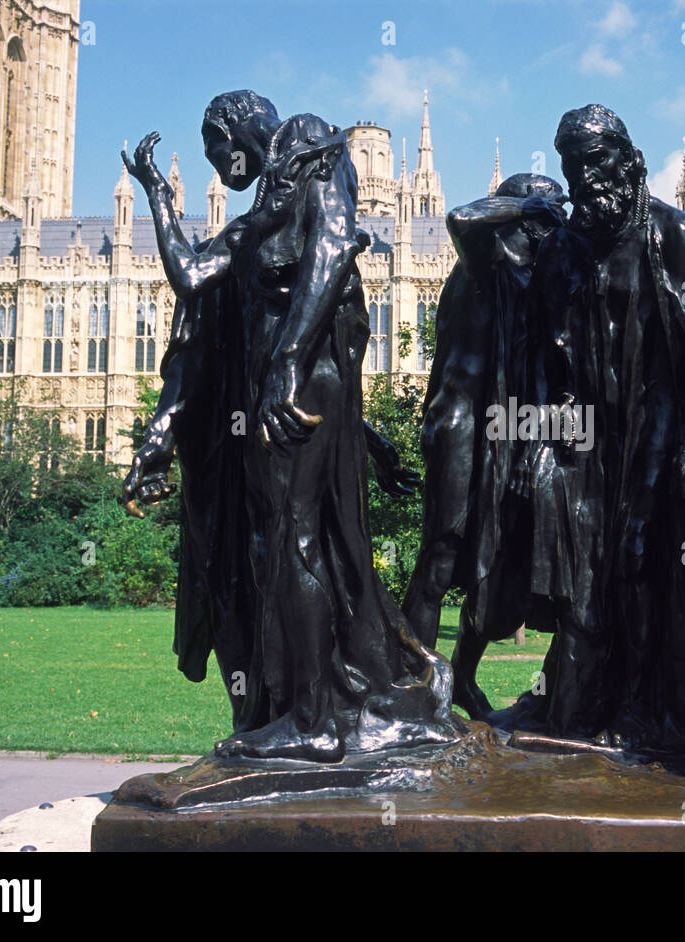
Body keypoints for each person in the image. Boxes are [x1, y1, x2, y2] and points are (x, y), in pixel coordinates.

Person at [120, 89, 456, 762]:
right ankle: (308, 703)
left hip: (294, 392)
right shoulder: (260, 214)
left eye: (218, 153)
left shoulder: (308, 144)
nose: (219, 170)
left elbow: (333, 250)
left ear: (232, 131)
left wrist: (288, 364)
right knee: (283, 546)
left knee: (294, 542)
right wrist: (158, 194)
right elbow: (191, 276)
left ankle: (312, 724)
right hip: (287, 392)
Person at [504, 104, 685, 756]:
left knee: (650, 572)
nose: (583, 175)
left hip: (655, 435)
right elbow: (539, 359)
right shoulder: (563, 249)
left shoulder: (669, 234)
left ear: (625, 159)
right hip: (584, 442)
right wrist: (535, 437)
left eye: (595, 159)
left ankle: (654, 719)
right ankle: (585, 708)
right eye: (571, 163)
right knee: (586, 591)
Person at [402, 172, 568, 717]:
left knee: (495, 551)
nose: (551, 225)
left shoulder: (534, 275)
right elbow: (461, 219)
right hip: (460, 425)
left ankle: (465, 678)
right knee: (444, 549)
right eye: (541, 215)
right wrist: (522, 205)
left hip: (506, 426)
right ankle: (413, 681)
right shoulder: (481, 261)